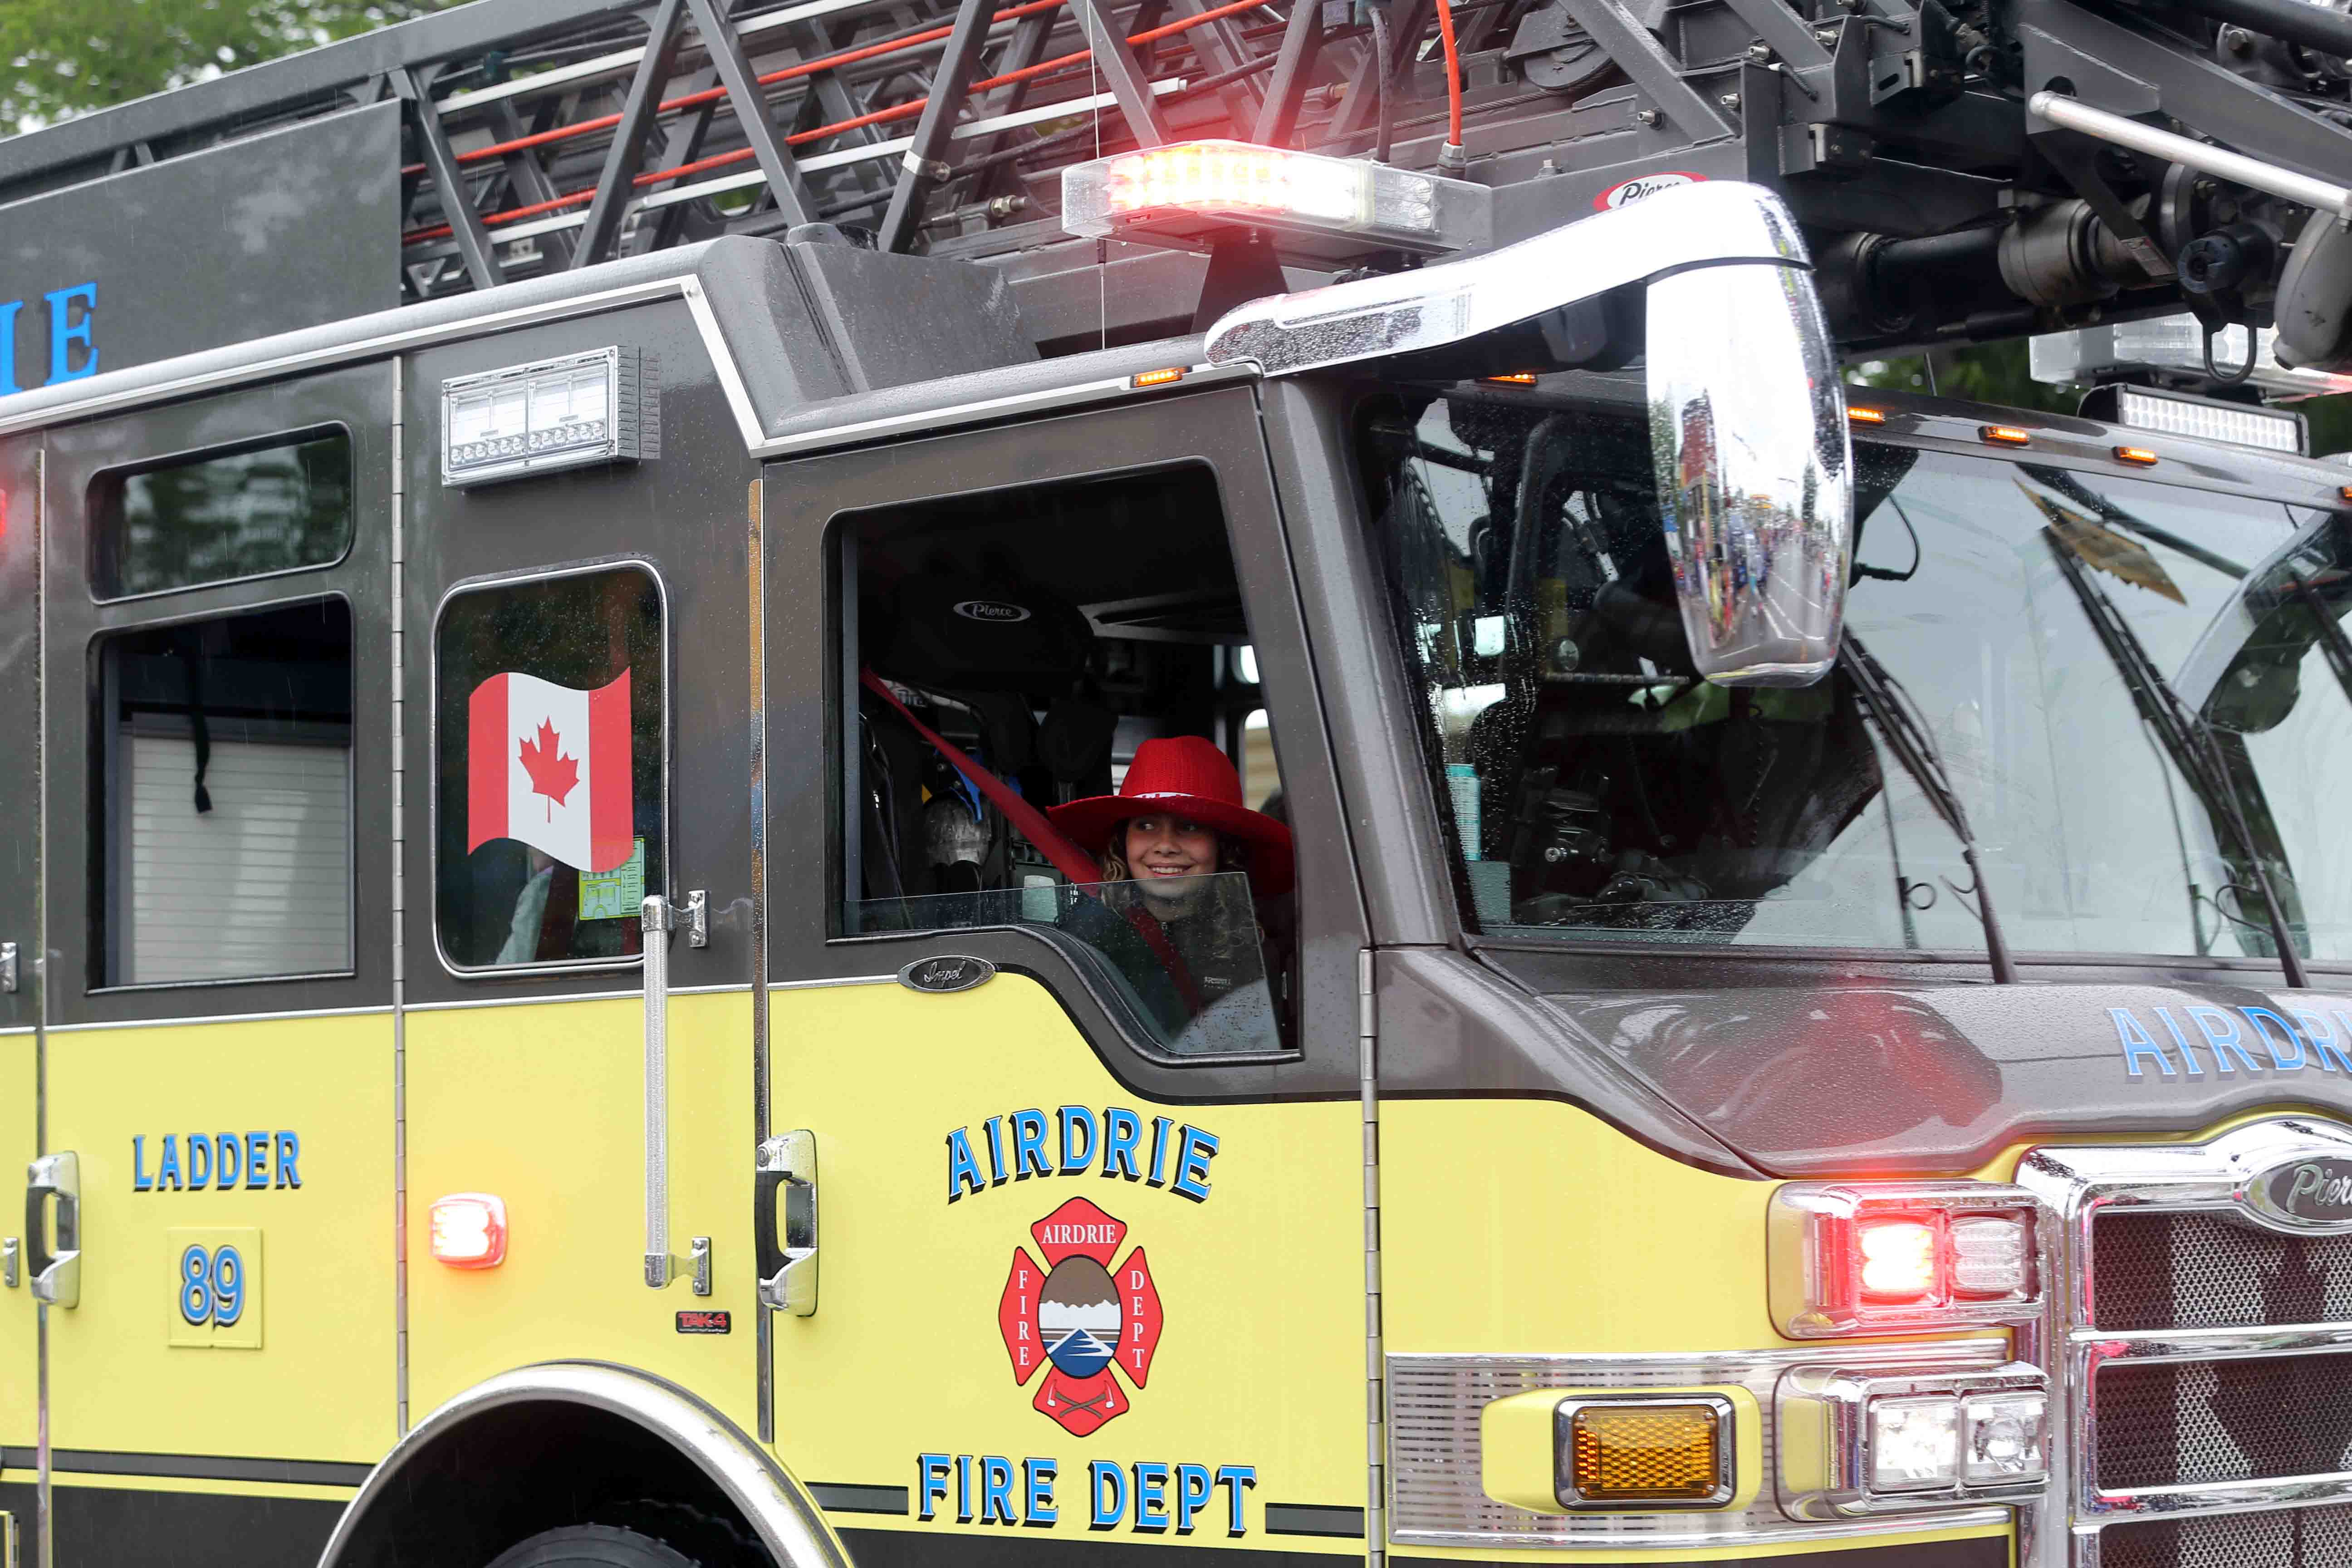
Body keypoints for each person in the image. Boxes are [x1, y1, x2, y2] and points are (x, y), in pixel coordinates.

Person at [1047, 737, 1294, 1051]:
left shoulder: (1253, 945)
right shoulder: (1082, 942)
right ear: (1122, 843)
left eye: (1189, 827)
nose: (1165, 845)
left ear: (1223, 845)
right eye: (1146, 825)